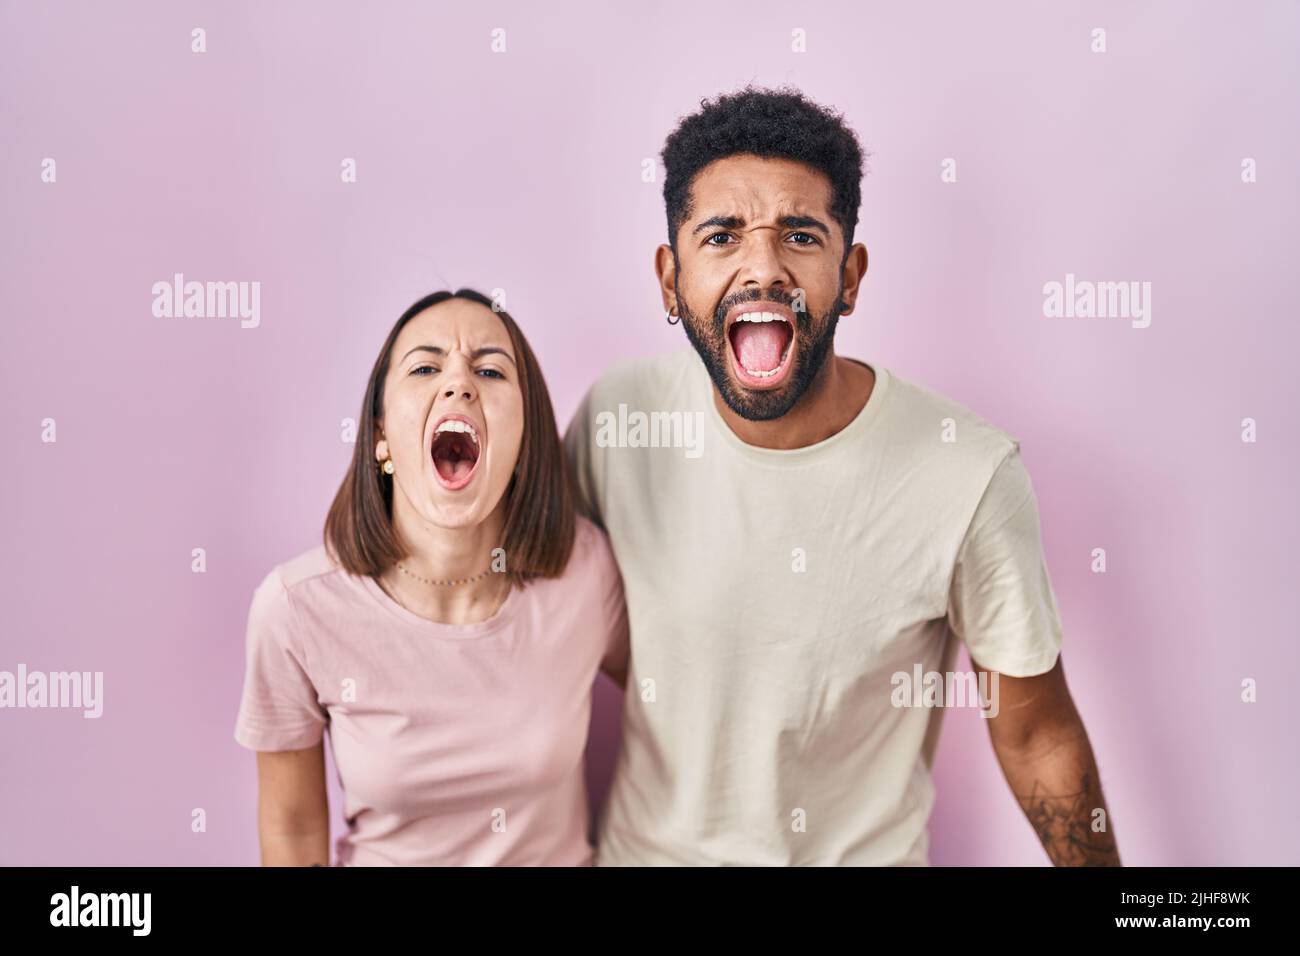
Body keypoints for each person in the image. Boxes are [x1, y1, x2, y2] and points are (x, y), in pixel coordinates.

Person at [564, 86, 1120, 866]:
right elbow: (533, 613)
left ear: (850, 276)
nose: (763, 268)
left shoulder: (969, 473)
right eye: (722, 236)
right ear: (669, 279)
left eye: (800, 235)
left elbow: (1037, 734)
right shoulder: (618, 419)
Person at [235, 289, 629, 866]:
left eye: (490, 370)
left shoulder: (585, 571)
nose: (459, 383)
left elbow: (675, 698)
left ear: (524, 440)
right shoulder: (295, 609)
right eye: (425, 367)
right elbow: (292, 830)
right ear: (381, 436)